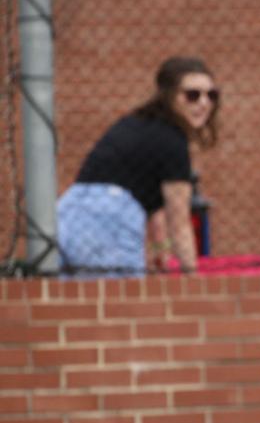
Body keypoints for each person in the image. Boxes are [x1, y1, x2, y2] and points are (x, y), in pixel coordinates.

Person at [56, 56, 220, 275]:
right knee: (121, 303)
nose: (203, 102)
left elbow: (154, 205)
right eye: (192, 95)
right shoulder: (173, 141)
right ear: (169, 95)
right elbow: (179, 219)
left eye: (211, 95)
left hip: (66, 214)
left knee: (73, 304)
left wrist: (160, 248)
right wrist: (192, 278)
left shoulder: (139, 124)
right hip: (107, 221)